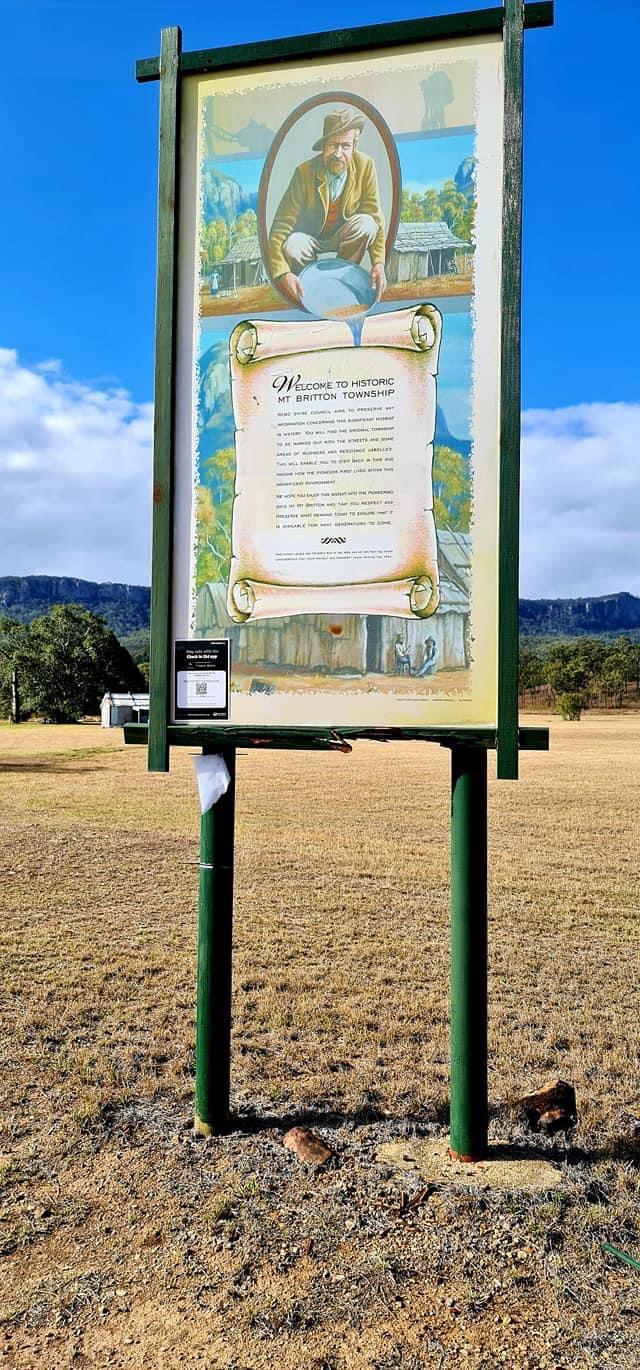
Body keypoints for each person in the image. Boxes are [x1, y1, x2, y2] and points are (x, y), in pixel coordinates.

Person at [268, 109, 387, 307]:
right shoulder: (303, 173)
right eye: (332, 145)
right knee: (292, 244)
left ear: (354, 146)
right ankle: (311, 284)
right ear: (323, 145)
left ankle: (340, 280)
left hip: (344, 235)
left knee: (367, 224)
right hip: (311, 239)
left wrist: (378, 263)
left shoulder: (366, 166)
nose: (338, 153)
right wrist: (283, 273)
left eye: (345, 146)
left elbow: (375, 215)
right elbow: (281, 224)